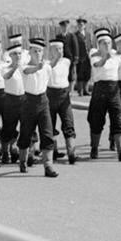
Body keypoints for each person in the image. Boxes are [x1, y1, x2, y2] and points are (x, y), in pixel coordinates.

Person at [16, 38, 58, 177]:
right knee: (26, 133)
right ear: (30, 52)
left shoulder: (46, 67)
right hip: (28, 101)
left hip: (43, 101)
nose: (38, 54)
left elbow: (51, 67)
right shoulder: (24, 66)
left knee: (47, 133)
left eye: (40, 51)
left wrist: (58, 56)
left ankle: (48, 166)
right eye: (35, 51)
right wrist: (36, 68)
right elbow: (28, 71)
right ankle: (22, 161)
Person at [86, 29, 121, 161]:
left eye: (109, 43)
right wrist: (106, 57)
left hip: (114, 90)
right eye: (104, 43)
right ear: (99, 44)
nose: (107, 46)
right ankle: (94, 148)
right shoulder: (94, 54)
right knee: (96, 121)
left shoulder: (116, 57)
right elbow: (98, 64)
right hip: (100, 90)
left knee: (118, 119)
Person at [46, 36, 78, 164]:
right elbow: (50, 66)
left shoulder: (66, 61)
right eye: (57, 49)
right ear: (52, 50)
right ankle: (52, 151)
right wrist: (55, 58)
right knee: (50, 125)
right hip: (50, 94)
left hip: (64, 94)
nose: (61, 51)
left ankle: (72, 152)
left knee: (68, 122)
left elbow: (70, 56)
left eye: (62, 48)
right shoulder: (47, 63)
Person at [0, 35, 25, 165]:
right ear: (10, 55)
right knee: (8, 127)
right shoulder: (6, 67)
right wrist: (14, 67)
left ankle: (22, 153)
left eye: (20, 53)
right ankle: (5, 153)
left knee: (26, 126)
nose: (18, 56)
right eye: (15, 54)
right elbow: (6, 76)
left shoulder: (24, 68)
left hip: (23, 99)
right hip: (10, 99)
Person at [73, 17, 91, 96]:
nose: (80, 26)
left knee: (87, 73)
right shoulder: (75, 35)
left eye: (82, 25)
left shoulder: (88, 34)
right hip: (80, 57)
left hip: (87, 57)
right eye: (79, 25)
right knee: (80, 74)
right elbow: (73, 46)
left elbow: (90, 44)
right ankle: (80, 91)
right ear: (77, 25)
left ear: (84, 26)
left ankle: (86, 90)